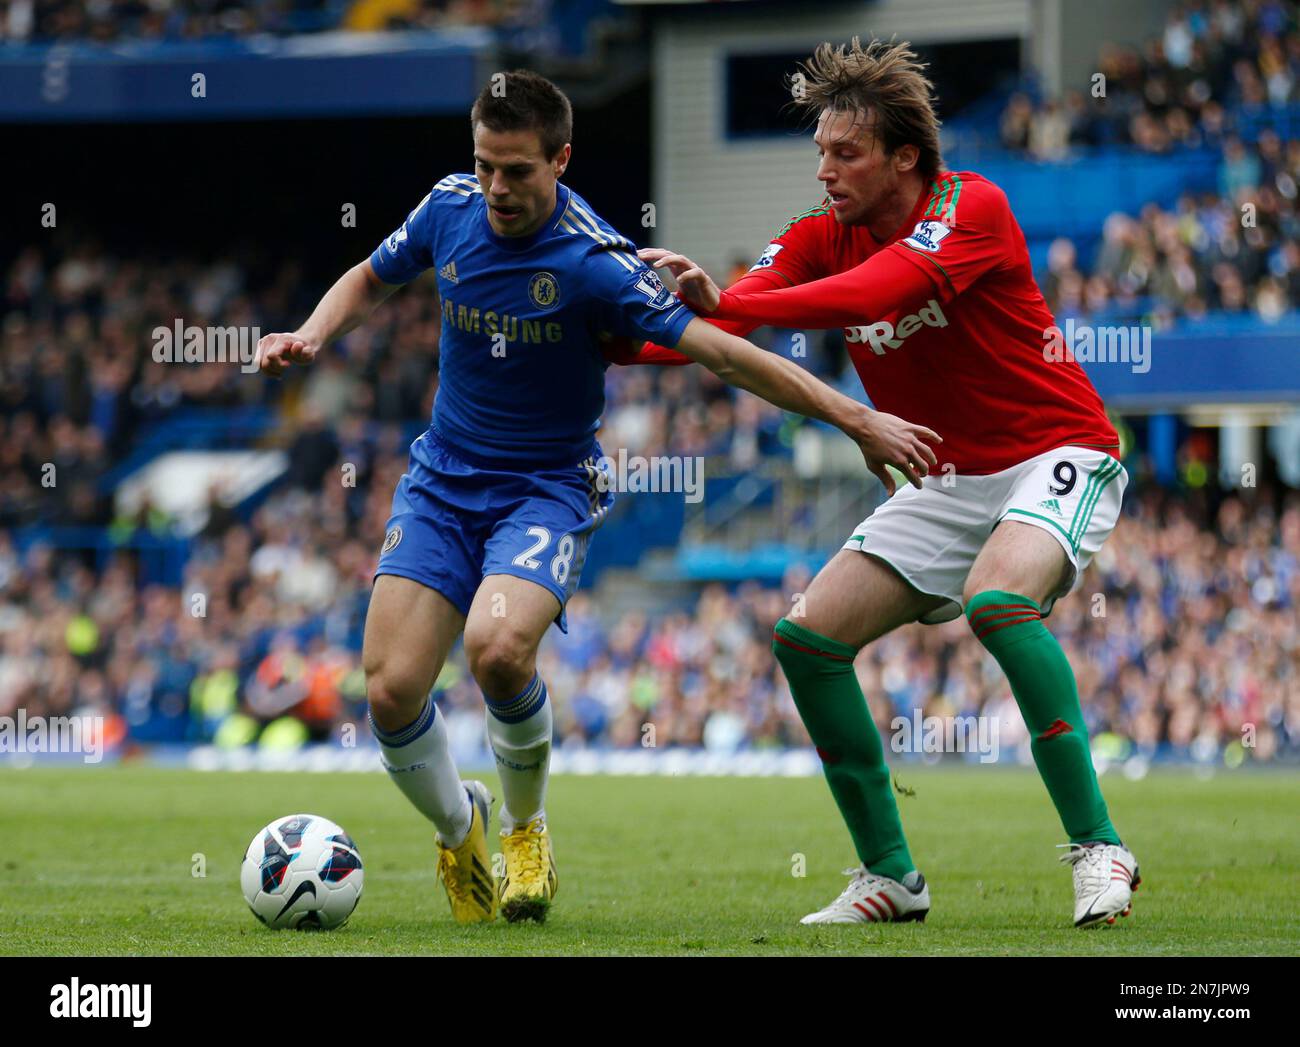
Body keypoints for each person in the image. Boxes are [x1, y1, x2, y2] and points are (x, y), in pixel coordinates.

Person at [257, 69, 938, 925]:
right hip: (440, 484)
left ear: (562, 160)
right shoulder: (448, 208)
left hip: (543, 490)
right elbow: (368, 275)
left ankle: (525, 826)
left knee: (497, 647)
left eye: (517, 171)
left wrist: (853, 418)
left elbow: (725, 354)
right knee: (390, 690)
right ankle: (459, 825)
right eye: (484, 166)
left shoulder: (595, 260)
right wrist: (311, 335)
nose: (496, 189)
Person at [636, 38, 1140, 929]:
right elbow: (724, 318)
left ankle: (1100, 846)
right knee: (807, 638)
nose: (826, 170)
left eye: (847, 153)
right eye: (820, 152)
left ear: (905, 156)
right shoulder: (815, 233)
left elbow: (871, 295)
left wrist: (725, 307)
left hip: (1056, 450)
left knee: (996, 601)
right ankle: (891, 874)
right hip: (944, 475)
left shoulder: (969, 205)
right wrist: (607, 322)